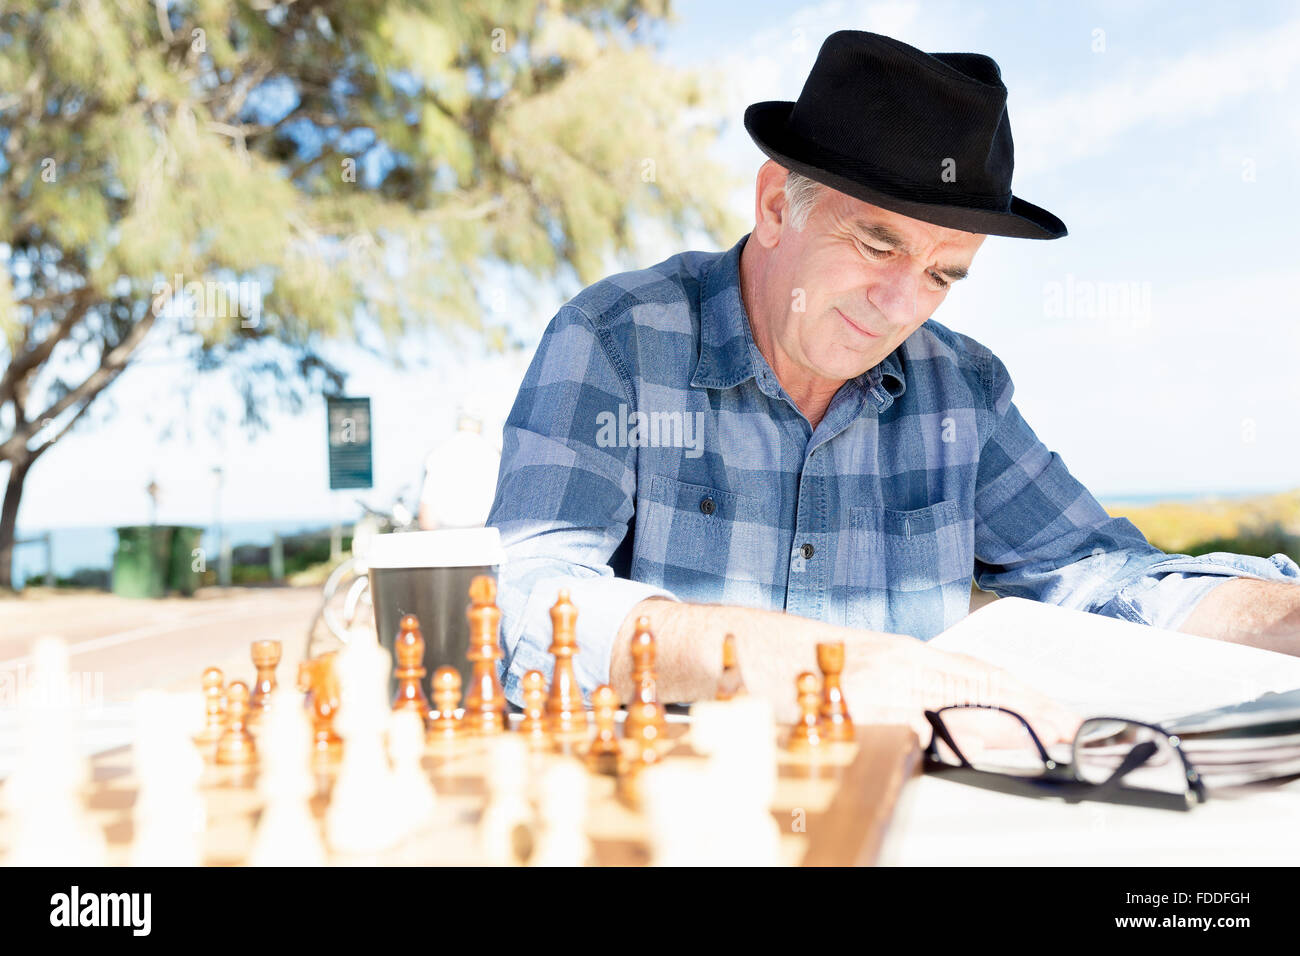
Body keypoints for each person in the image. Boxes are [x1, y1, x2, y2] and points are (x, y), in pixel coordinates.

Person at [486, 31, 1300, 741]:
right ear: (777, 207)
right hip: (679, 818)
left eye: (942, 275)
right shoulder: (618, 341)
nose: (901, 307)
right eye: (878, 247)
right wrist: (819, 665)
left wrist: (1281, 621)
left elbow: (1097, 576)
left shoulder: (963, 390)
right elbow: (522, 603)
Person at [418, 409, 501, 530]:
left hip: (446, 533)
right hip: (483, 533)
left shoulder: (438, 453)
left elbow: (427, 513)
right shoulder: (494, 455)